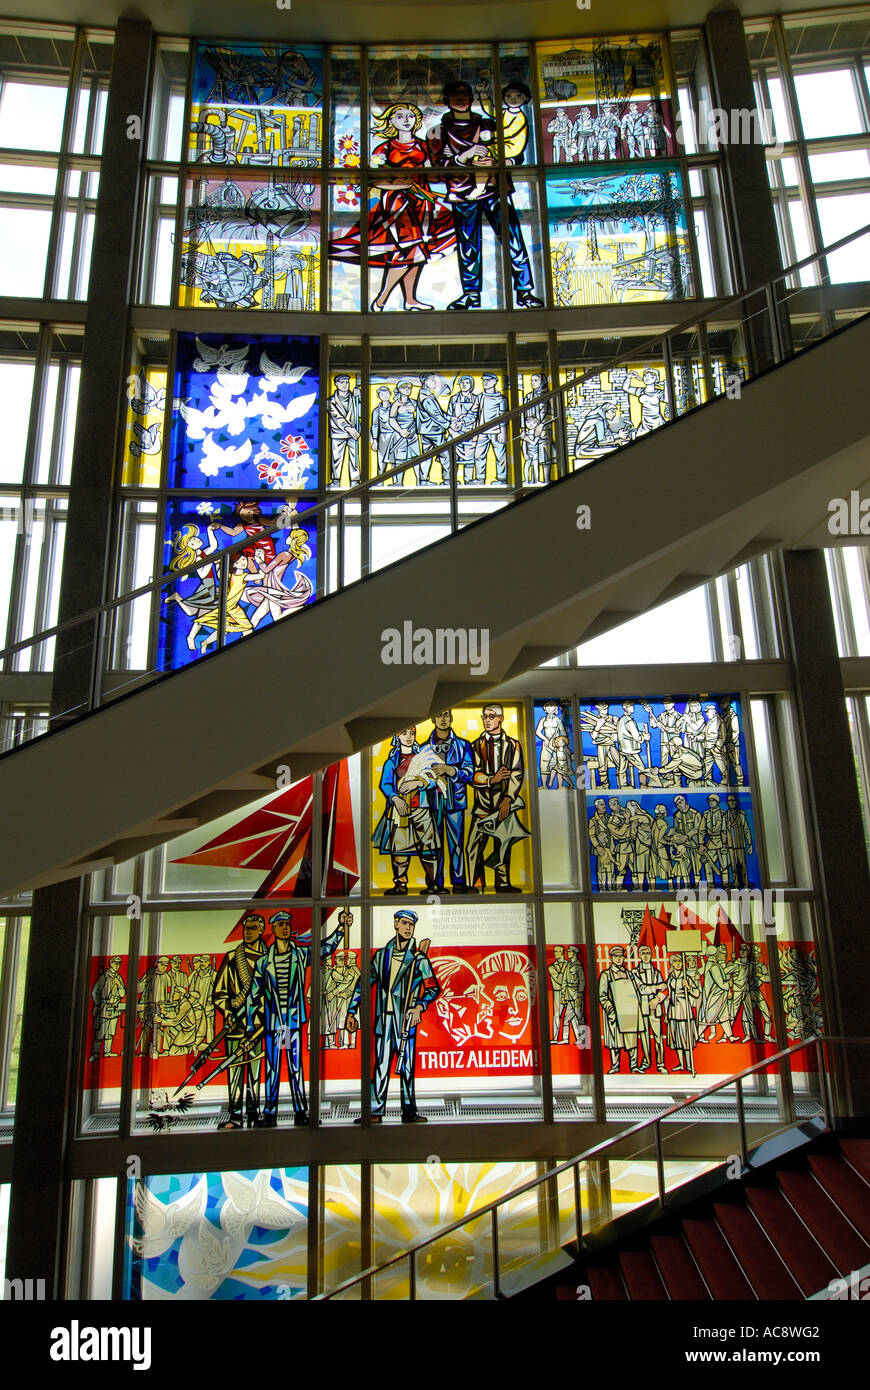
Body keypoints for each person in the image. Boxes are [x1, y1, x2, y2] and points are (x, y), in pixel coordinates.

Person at [329, 102, 455, 311]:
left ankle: (410, 300)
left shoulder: (423, 146)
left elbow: (430, 174)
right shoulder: (384, 148)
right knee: (409, 250)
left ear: (417, 121)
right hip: (397, 204)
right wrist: (396, 184)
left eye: (410, 116)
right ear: (391, 121)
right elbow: (372, 181)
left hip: (421, 202)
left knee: (418, 252)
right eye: (400, 116)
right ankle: (382, 299)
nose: (406, 120)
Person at [429, 81, 542, 310]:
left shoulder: (489, 123)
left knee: (513, 239)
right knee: (468, 247)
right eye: (455, 95)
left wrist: (505, 161)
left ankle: (524, 292)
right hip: (462, 194)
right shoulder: (437, 132)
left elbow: (514, 151)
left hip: (494, 188)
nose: (460, 100)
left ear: (471, 98)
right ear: (447, 100)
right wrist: (464, 156)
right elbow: (437, 168)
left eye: (464, 95)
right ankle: (471, 295)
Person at [246, 910, 343, 1127]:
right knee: (272, 1068)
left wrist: (340, 929)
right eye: (280, 925)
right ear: (274, 928)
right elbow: (253, 994)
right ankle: (270, 1113)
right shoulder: (264, 962)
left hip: (292, 1020)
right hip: (274, 1023)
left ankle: (300, 1112)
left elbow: (324, 949)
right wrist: (251, 1024)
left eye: (287, 924)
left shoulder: (300, 955)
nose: (285, 928)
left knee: (295, 1067)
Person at [346, 910, 440, 1122]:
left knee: (406, 1067)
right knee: (380, 1066)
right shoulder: (380, 956)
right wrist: (352, 1010)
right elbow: (363, 984)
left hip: (406, 1020)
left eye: (412, 925)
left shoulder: (418, 959)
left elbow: (433, 988)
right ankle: (374, 1112)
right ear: (396, 924)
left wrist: (419, 1007)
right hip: (384, 1019)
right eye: (405, 923)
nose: (408, 928)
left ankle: (409, 1112)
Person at [466, 703, 528, 892]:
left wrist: (508, 798)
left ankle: (503, 884)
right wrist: (492, 779)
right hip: (483, 804)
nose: (487, 720)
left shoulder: (513, 744)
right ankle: (474, 886)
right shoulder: (476, 745)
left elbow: (517, 773)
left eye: (491, 716)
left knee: (503, 844)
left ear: (501, 718)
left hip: (504, 804)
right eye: (484, 716)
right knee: (473, 846)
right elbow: (472, 774)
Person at [213, 911, 267, 1129]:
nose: (248, 932)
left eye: (253, 928)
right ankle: (235, 1114)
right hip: (235, 1025)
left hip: (258, 1025)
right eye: (246, 928)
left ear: (262, 930)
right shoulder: (232, 959)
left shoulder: (268, 957)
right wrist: (228, 1013)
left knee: (254, 1072)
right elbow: (220, 993)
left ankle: (254, 1113)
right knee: (234, 1071)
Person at [371, 726, 440, 895]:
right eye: (404, 733)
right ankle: (400, 884)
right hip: (400, 810)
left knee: (428, 849)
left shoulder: (422, 758)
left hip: (421, 809)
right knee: (400, 851)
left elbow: (434, 778)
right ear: (397, 736)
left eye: (412, 733)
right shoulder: (392, 761)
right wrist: (394, 798)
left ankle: (433, 884)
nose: (409, 736)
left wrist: (420, 783)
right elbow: (385, 784)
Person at [421, 709, 474, 893]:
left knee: (457, 844)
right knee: (433, 845)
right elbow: (417, 775)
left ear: (451, 718)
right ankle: (435, 883)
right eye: (439, 715)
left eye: (445, 715)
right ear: (432, 719)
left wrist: (452, 770)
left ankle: (458, 883)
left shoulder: (463, 745)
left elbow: (470, 774)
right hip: (431, 802)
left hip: (455, 801)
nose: (442, 719)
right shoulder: (423, 748)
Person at [598, 945, 642, 1073]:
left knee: (632, 1040)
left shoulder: (629, 974)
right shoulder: (606, 975)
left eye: (620, 956)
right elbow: (602, 995)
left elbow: (639, 988)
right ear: (611, 958)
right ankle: (615, 1066)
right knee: (615, 1042)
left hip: (629, 1011)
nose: (618, 959)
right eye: (616, 956)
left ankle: (633, 1066)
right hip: (615, 1013)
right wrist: (610, 1009)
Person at [633, 944, 669, 1072]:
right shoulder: (635, 972)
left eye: (648, 953)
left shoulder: (657, 972)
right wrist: (656, 987)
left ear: (651, 955)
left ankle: (660, 1063)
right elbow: (641, 988)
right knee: (644, 1037)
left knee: (658, 1036)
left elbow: (665, 989)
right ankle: (646, 1062)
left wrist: (657, 999)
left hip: (655, 1007)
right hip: (642, 1008)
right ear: (639, 956)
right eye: (643, 953)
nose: (646, 955)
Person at [666, 953, 701, 1073]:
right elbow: (668, 996)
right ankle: (681, 1064)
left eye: (680, 961)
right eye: (675, 961)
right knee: (677, 1040)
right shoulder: (670, 978)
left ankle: (690, 1066)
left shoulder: (686, 977)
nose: (678, 963)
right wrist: (666, 1013)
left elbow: (697, 993)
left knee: (686, 1039)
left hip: (684, 1010)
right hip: (673, 1010)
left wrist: (689, 987)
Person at [698, 942, 739, 1044]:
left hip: (718, 996)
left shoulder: (710, 964)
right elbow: (720, 982)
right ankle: (695, 1036)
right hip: (715, 997)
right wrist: (728, 985)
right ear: (715, 955)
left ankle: (730, 1036)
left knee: (724, 1017)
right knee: (707, 1019)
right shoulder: (714, 967)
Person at [415, 372, 451, 485]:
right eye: (431, 380)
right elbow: (435, 415)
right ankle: (448, 480)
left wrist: (450, 418)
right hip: (434, 431)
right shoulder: (426, 398)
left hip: (425, 431)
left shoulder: (426, 395)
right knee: (445, 455)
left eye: (434, 380)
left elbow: (439, 413)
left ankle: (424, 480)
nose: (434, 382)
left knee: (426, 456)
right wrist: (448, 424)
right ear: (424, 382)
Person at [89, 956, 125, 1062]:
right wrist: (97, 1004)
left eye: (118, 964)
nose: (117, 966)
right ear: (111, 964)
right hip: (104, 1008)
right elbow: (95, 991)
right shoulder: (104, 977)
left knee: (110, 1032)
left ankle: (107, 1052)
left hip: (114, 1008)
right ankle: (95, 1053)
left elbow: (122, 994)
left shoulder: (118, 978)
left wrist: (119, 984)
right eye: (115, 963)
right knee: (100, 1033)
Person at [474, 373, 508, 484]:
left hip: (496, 431)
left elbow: (503, 416)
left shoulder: (501, 398)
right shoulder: (480, 397)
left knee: (500, 456)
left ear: (495, 381)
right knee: (479, 456)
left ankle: (502, 479)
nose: (485, 382)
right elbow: (473, 413)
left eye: (488, 380)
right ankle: (480, 479)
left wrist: (503, 432)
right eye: (483, 380)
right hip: (482, 432)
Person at [327, 374, 361, 486]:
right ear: (336, 384)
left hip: (354, 433)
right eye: (341, 382)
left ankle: (355, 481)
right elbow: (337, 417)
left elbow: (361, 413)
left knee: (355, 458)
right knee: (336, 458)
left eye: (347, 382)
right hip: (338, 433)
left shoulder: (354, 398)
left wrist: (359, 399)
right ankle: (336, 481)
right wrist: (349, 429)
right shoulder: (331, 401)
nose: (345, 385)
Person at [449, 374, 482, 483]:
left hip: (470, 432)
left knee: (470, 458)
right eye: (462, 382)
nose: (464, 385)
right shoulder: (454, 398)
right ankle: (452, 480)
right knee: (452, 457)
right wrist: (453, 428)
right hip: (455, 432)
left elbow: (477, 417)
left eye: (467, 382)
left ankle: (468, 480)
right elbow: (449, 415)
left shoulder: (476, 398)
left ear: (471, 385)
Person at [521, 372, 553, 484]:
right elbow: (522, 414)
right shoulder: (528, 397)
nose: (533, 383)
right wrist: (523, 428)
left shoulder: (547, 396)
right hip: (530, 429)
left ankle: (546, 479)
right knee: (530, 457)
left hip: (543, 429)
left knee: (545, 455)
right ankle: (533, 480)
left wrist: (541, 424)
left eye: (536, 380)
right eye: (532, 380)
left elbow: (552, 413)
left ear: (542, 382)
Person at [388, 378, 420, 483]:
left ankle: (419, 482)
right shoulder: (395, 405)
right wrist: (400, 430)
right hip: (400, 435)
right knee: (399, 459)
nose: (407, 390)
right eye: (404, 387)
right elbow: (391, 420)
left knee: (416, 458)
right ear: (399, 389)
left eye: (409, 388)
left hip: (412, 435)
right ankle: (398, 482)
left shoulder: (415, 403)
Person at [617, 701, 650, 788]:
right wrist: (644, 737)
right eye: (631, 706)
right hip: (631, 749)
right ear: (626, 708)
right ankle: (644, 785)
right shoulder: (629, 721)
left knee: (622, 768)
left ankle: (623, 785)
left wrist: (641, 733)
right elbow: (636, 737)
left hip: (622, 748)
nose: (633, 708)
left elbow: (628, 733)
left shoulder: (621, 720)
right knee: (642, 768)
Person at [535, 701, 569, 786]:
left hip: (556, 746)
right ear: (545, 709)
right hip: (546, 745)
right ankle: (544, 786)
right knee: (544, 765)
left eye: (551, 706)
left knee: (558, 766)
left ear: (555, 709)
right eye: (547, 706)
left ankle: (560, 786)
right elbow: (538, 732)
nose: (549, 708)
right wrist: (545, 739)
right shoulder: (543, 720)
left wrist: (558, 739)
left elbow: (563, 733)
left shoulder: (558, 720)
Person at [724, 793, 753, 888]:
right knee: (733, 866)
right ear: (727, 803)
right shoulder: (725, 816)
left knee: (743, 865)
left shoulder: (741, 815)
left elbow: (747, 830)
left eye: (733, 801)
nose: (731, 803)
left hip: (740, 844)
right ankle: (736, 883)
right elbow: (723, 832)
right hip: (730, 845)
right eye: (729, 801)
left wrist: (750, 844)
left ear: (736, 802)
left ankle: (745, 884)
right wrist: (724, 844)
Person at [371, 384, 398, 477]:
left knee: (396, 460)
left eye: (386, 393)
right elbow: (375, 426)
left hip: (395, 436)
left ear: (390, 394)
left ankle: (396, 482)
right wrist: (375, 440)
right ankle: (379, 481)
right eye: (382, 394)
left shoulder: (395, 408)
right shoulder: (376, 411)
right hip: (383, 437)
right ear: (379, 396)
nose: (385, 395)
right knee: (381, 460)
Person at [588, 796, 614, 890]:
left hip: (610, 847)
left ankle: (611, 888)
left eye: (604, 804)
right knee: (601, 870)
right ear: (597, 806)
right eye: (601, 804)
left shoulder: (610, 817)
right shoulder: (593, 820)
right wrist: (597, 846)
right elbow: (591, 835)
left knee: (611, 870)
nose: (604, 806)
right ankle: (602, 888)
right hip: (601, 849)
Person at [549, 945, 567, 1042]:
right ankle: (555, 1038)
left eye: (557, 951)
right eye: (554, 951)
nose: (555, 953)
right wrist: (565, 969)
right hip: (557, 992)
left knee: (571, 1016)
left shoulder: (568, 965)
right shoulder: (552, 967)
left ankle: (566, 1038)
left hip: (568, 991)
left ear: (562, 952)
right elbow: (559, 979)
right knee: (556, 1015)